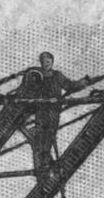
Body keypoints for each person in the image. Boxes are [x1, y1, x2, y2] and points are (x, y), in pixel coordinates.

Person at [25, 52, 91, 181]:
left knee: (48, 138)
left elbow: (70, 86)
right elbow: (29, 91)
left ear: (52, 61)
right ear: (41, 62)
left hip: (53, 113)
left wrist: (84, 82)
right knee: (41, 140)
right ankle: (43, 167)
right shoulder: (37, 76)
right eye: (44, 60)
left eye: (49, 60)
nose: (47, 62)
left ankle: (45, 166)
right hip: (41, 112)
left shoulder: (57, 76)